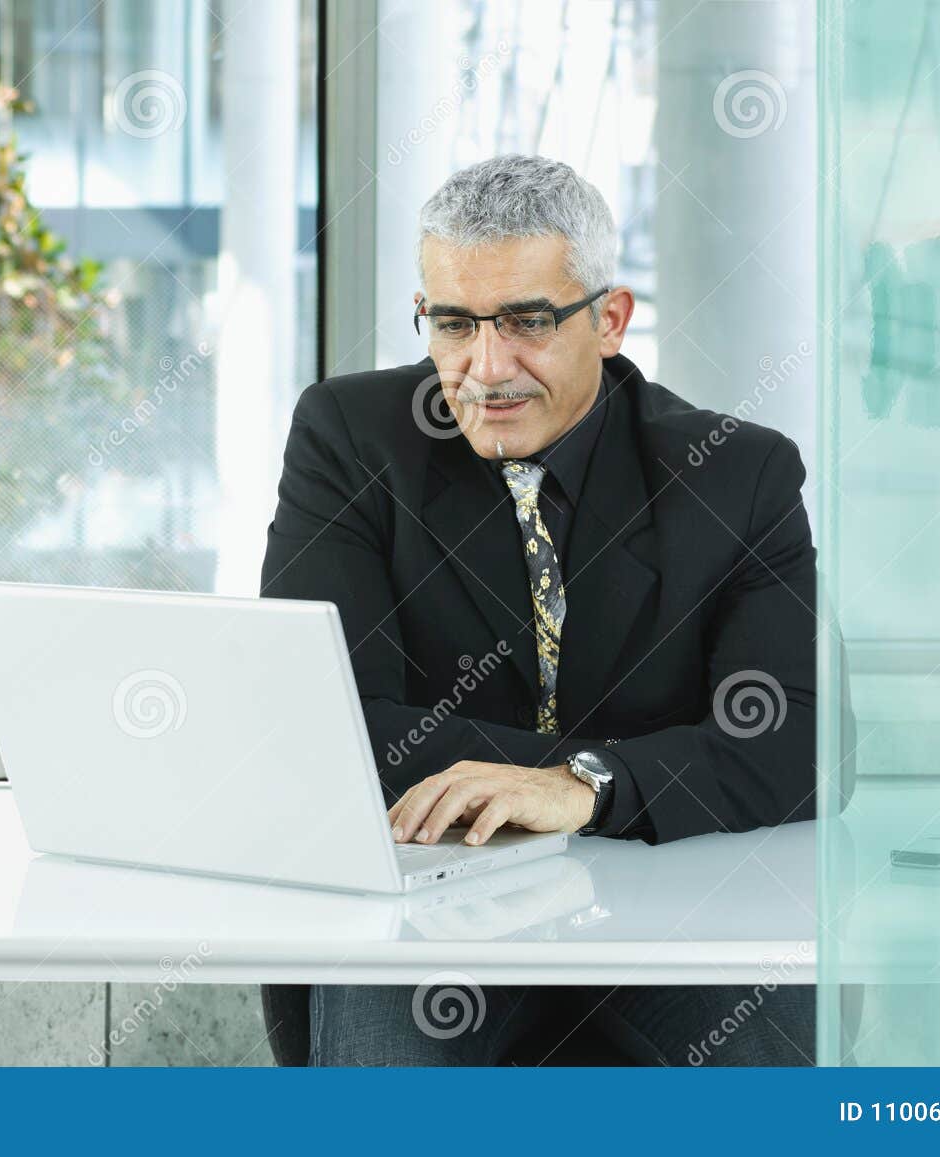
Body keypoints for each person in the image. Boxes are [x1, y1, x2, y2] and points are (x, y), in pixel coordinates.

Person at [260, 154, 817, 1066]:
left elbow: (798, 737)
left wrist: (587, 787)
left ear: (608, 319)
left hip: (675, 894)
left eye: (526, 321)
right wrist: (620, 769)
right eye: (453, 324)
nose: (485, 369)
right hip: (432, 905)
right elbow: (320, 726)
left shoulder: (736, 472)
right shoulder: (350, 438)